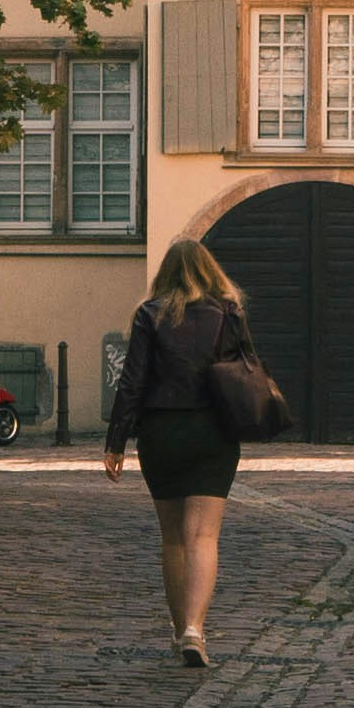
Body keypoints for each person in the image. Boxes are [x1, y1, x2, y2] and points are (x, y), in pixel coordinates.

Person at [104, 236, 268, 670]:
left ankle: (180, 633)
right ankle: (195, 629)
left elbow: (132, 380)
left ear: (165, 273)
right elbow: (248, 367)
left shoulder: (149, 314)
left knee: (173, 538)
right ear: (209, 271)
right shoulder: (228, 312)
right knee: (204, 536)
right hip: (212, 431)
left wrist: (116, 440)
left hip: (162, 432)